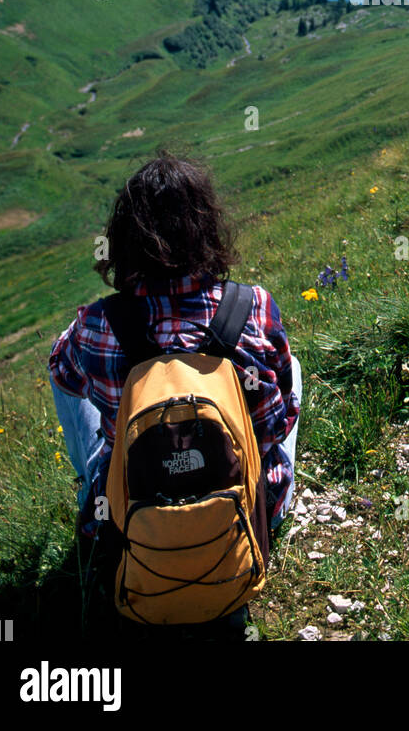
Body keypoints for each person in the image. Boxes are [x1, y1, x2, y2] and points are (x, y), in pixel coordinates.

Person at [48, 151, 300, 542]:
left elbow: (61, 371)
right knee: (291, 368)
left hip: (134, 530)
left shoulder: (96, 326)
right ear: (205, 227)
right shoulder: (253, 307)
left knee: (66, 371)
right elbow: (278, 420)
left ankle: (93, 491)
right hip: (251, 517)